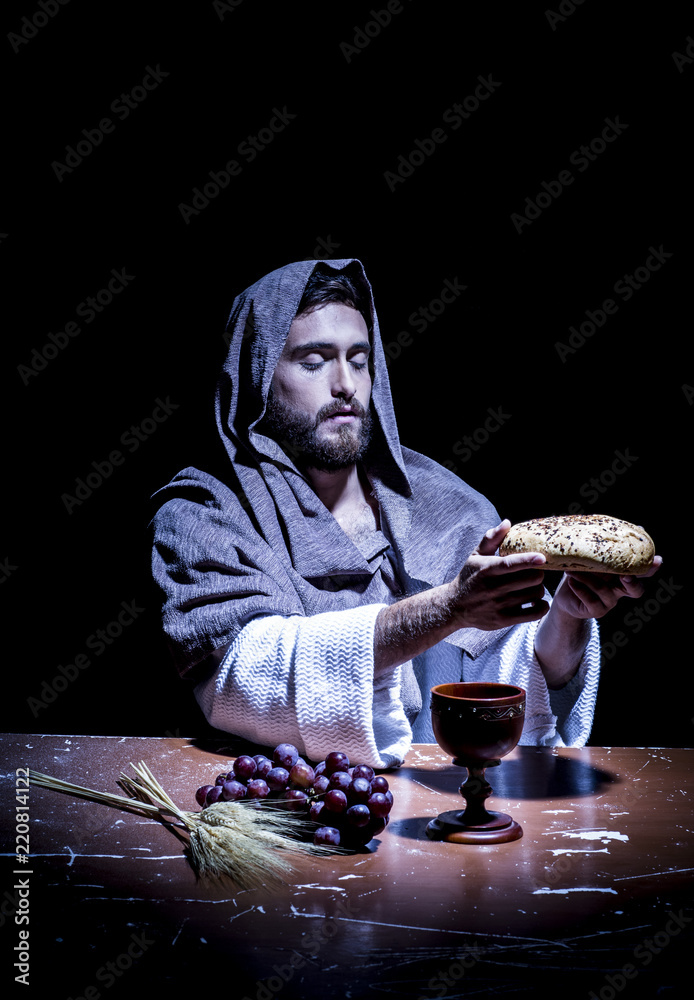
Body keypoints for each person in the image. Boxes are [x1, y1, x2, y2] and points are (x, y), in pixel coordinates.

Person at [150, 259, 660, 768]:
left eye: (358, 359)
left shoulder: (445, 502)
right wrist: (448, 607)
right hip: (303, 813)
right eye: (313, 361)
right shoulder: (205, 516)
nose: (345, 384)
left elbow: (501, 672)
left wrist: (567, 617)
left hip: (438, 807)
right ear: (257, 378)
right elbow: (246, 678)